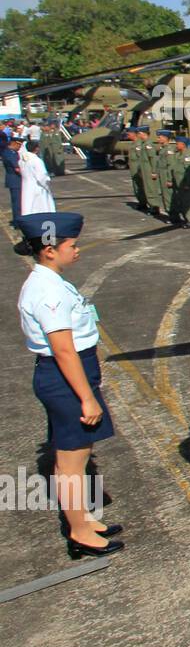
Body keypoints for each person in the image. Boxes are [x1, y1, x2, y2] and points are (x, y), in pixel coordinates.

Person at [16, 212, 124, 559]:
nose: (77, 251)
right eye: (71, 245)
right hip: (66, 377)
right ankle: (79, 531)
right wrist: (87, 398)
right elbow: (63, 349)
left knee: (76, 455)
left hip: (67, 374)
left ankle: (84, 520)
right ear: (50, 250)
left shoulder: (52, 281)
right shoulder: (48, 290)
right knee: (72, 461)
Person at [168, 136, 190, 228]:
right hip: (179, 182)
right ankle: (186, 219)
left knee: (188, 201)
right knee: (182, 201)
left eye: (177, 143)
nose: (176, 145)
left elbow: (189, 171)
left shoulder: (187, 156)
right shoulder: (178, 155)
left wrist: (187, 184)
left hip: (185, 183)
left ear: (183, 144)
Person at [19, 139, 54, 215]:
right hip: (37, 187)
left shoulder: (22, 159)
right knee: (39, 207)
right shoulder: (36, 160)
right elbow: (42, 176)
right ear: (36, 148)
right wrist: (47, 185)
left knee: (28, 205)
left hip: (26, 185)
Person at [3, 134, 21, 227]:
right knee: (17, 203)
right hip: (15, 180)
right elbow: (17, 168)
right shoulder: (10, 154)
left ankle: (17, 220)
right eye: (19, 145)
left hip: (14, 180)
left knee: (17, 202)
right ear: (13, 143)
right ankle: (17, 221)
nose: (20, 147)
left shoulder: (9, 152)